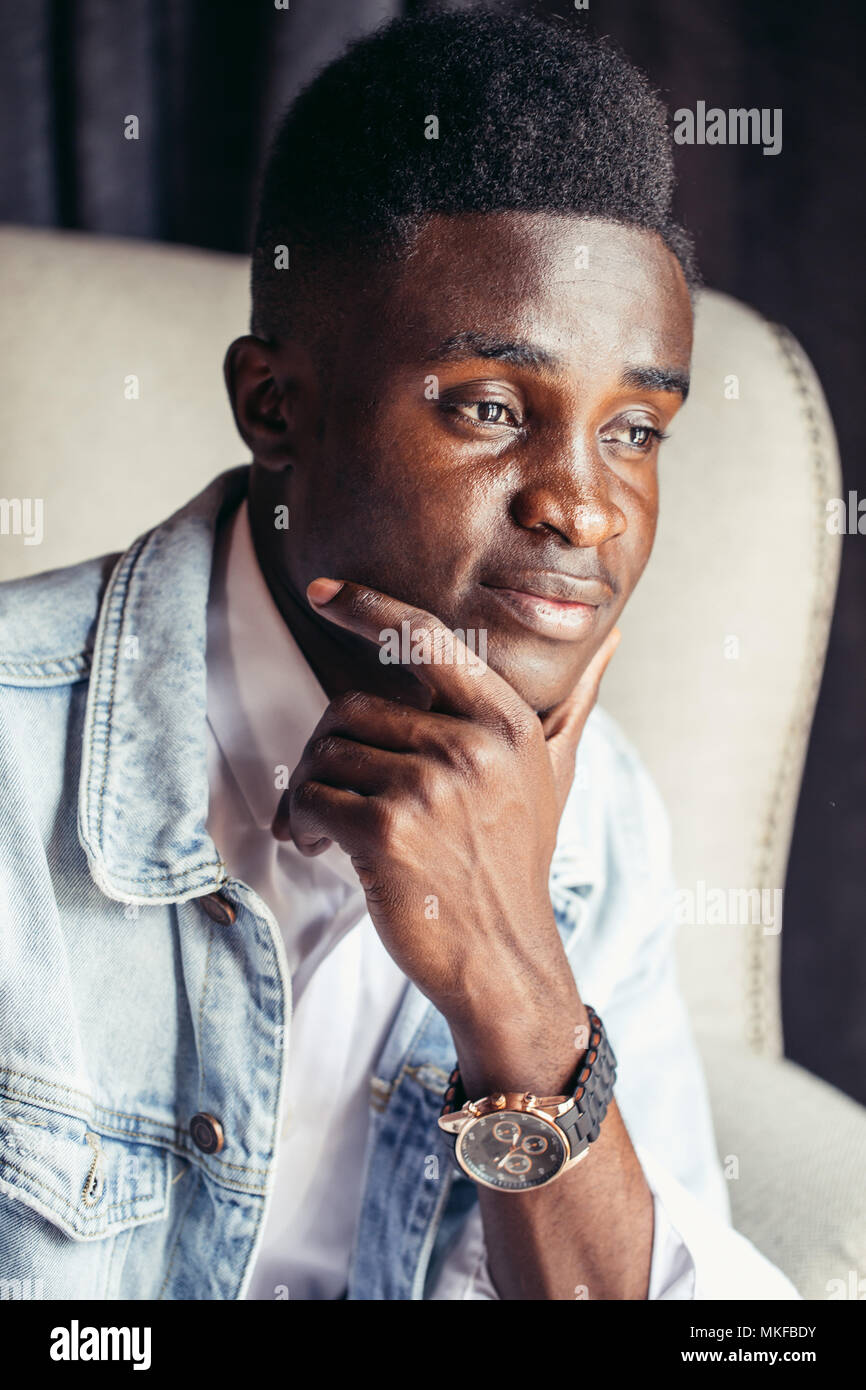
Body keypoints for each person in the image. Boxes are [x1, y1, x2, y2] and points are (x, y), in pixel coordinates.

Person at [0, 10, 799, 1299]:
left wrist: (517, 989)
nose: (584, 507)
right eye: (492, 409)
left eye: (637, 430)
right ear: (276, 408)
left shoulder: (603, 821)